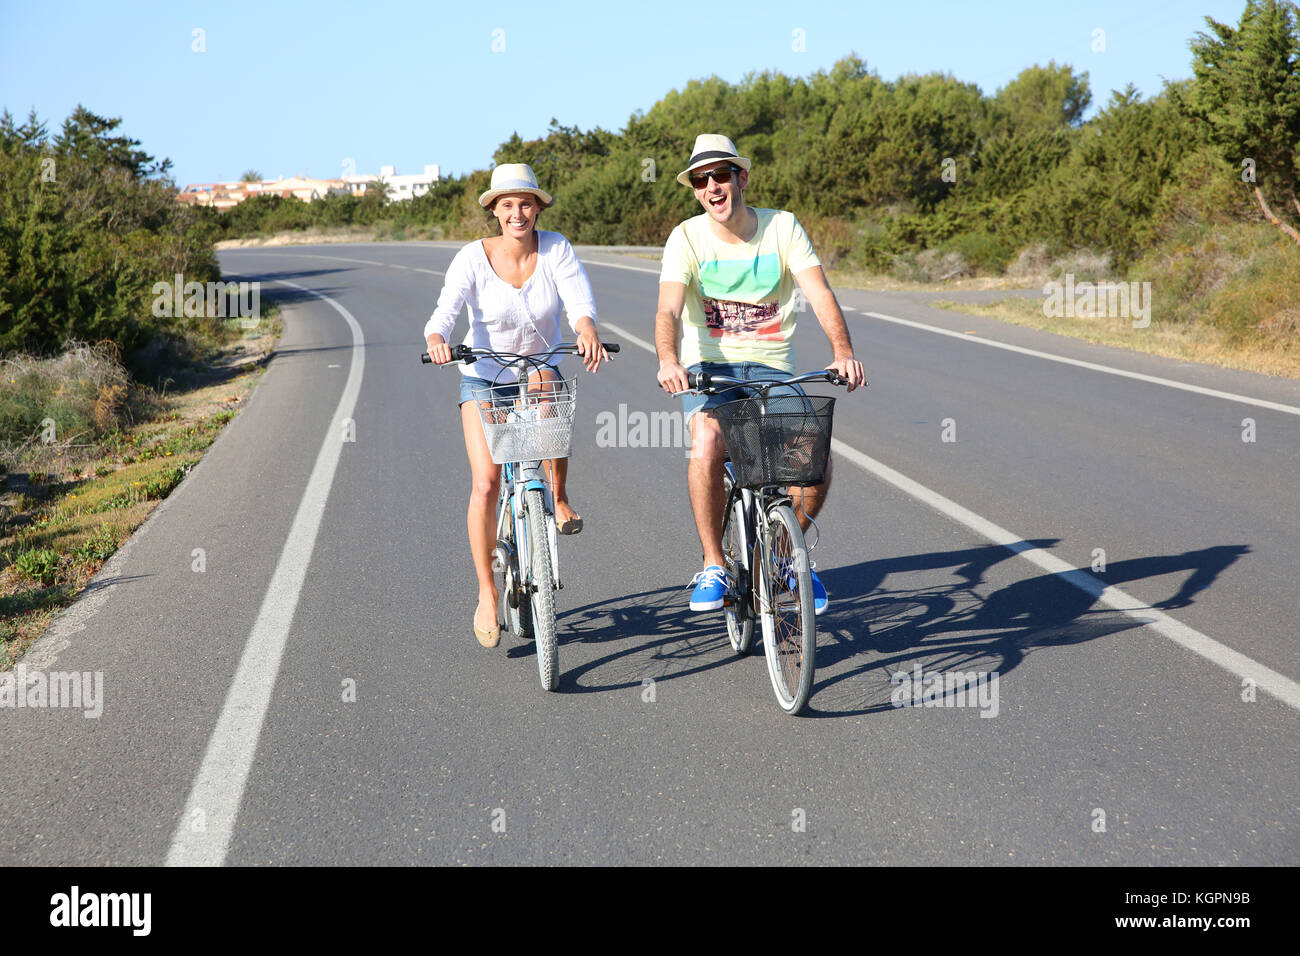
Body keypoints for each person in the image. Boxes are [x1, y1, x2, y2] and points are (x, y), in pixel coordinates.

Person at [654, 134, 866, 614]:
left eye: (721, 175)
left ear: (741, 178)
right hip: (712, 370)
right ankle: (713, 563)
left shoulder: (783, 228)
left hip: (773, 368)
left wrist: (843, 351)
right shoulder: (686, 237)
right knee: (707, 442)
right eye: (701, 180)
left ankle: (786, 556)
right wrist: (669, 359)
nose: (712, 186)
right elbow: (668, 310)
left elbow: (820, 294)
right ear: (694, 189)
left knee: (817, 458)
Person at [426, 163, 609, 648]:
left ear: (538, 207)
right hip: (483, 373)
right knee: (486, 484)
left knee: (553, 400)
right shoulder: (471, 257)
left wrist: (586, 329)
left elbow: (577, 298)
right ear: (493, 211)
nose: (517, 212)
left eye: (525, 203)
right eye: (506, 204)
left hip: (537, 366)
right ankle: (487, 591)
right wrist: (438, 337)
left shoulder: (556, 248)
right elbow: (446, 307)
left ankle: (558, 494)